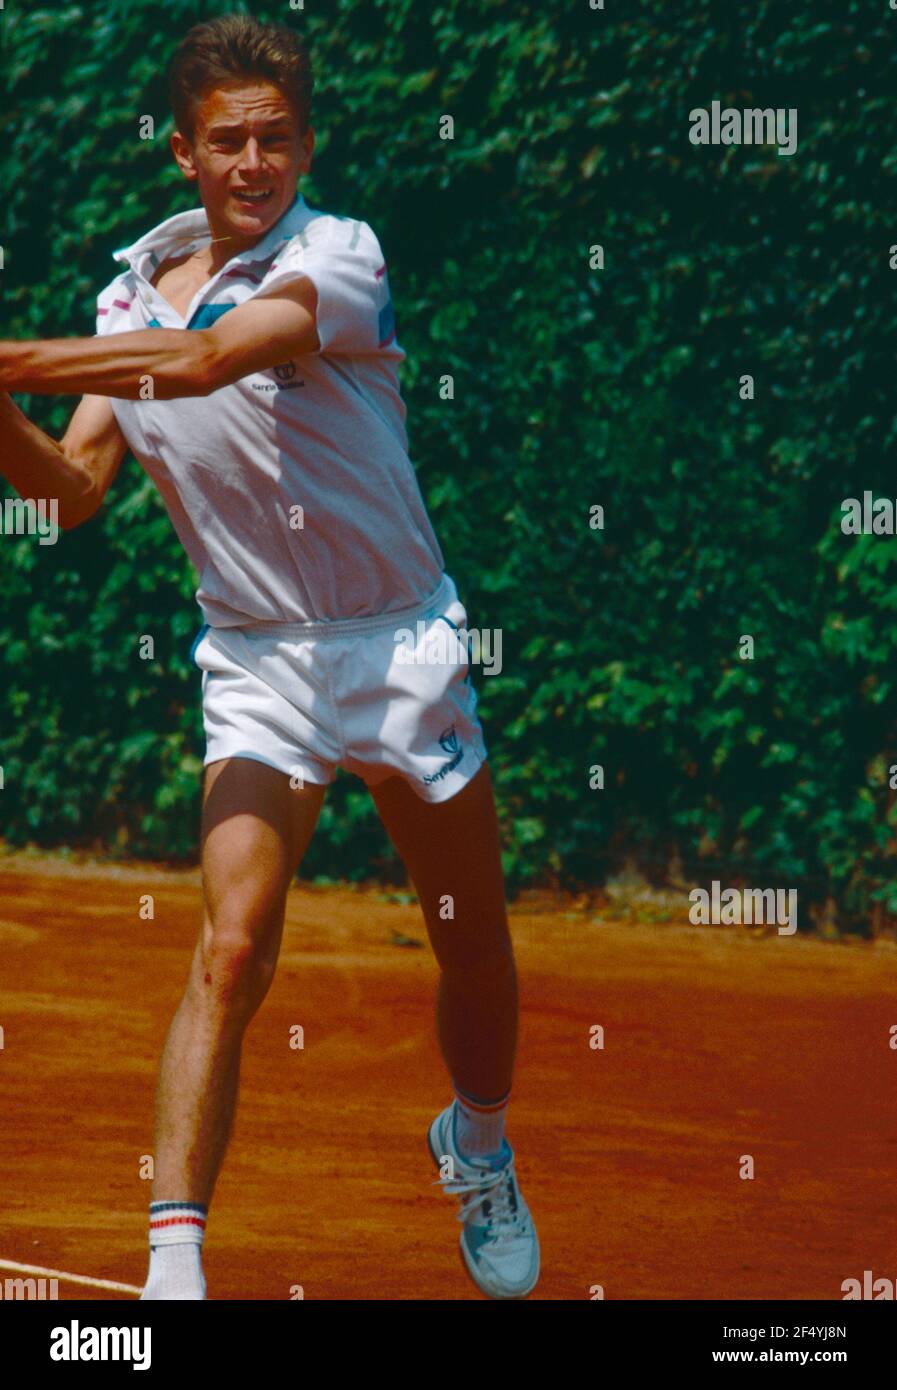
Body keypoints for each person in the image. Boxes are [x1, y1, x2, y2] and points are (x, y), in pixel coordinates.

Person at [0, 13, 539, 1301]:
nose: (257, 162)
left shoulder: (337, 256)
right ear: (181, 153)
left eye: (279, 137)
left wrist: (9, 357)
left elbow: (198, 365)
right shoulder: (125, 300)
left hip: (402, 647)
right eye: (230, 140)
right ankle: (174, 1262)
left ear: (306, 143)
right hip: (256, 666)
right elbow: (72, 487)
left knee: (468, 935)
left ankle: (478, 1142)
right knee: (232, 947)